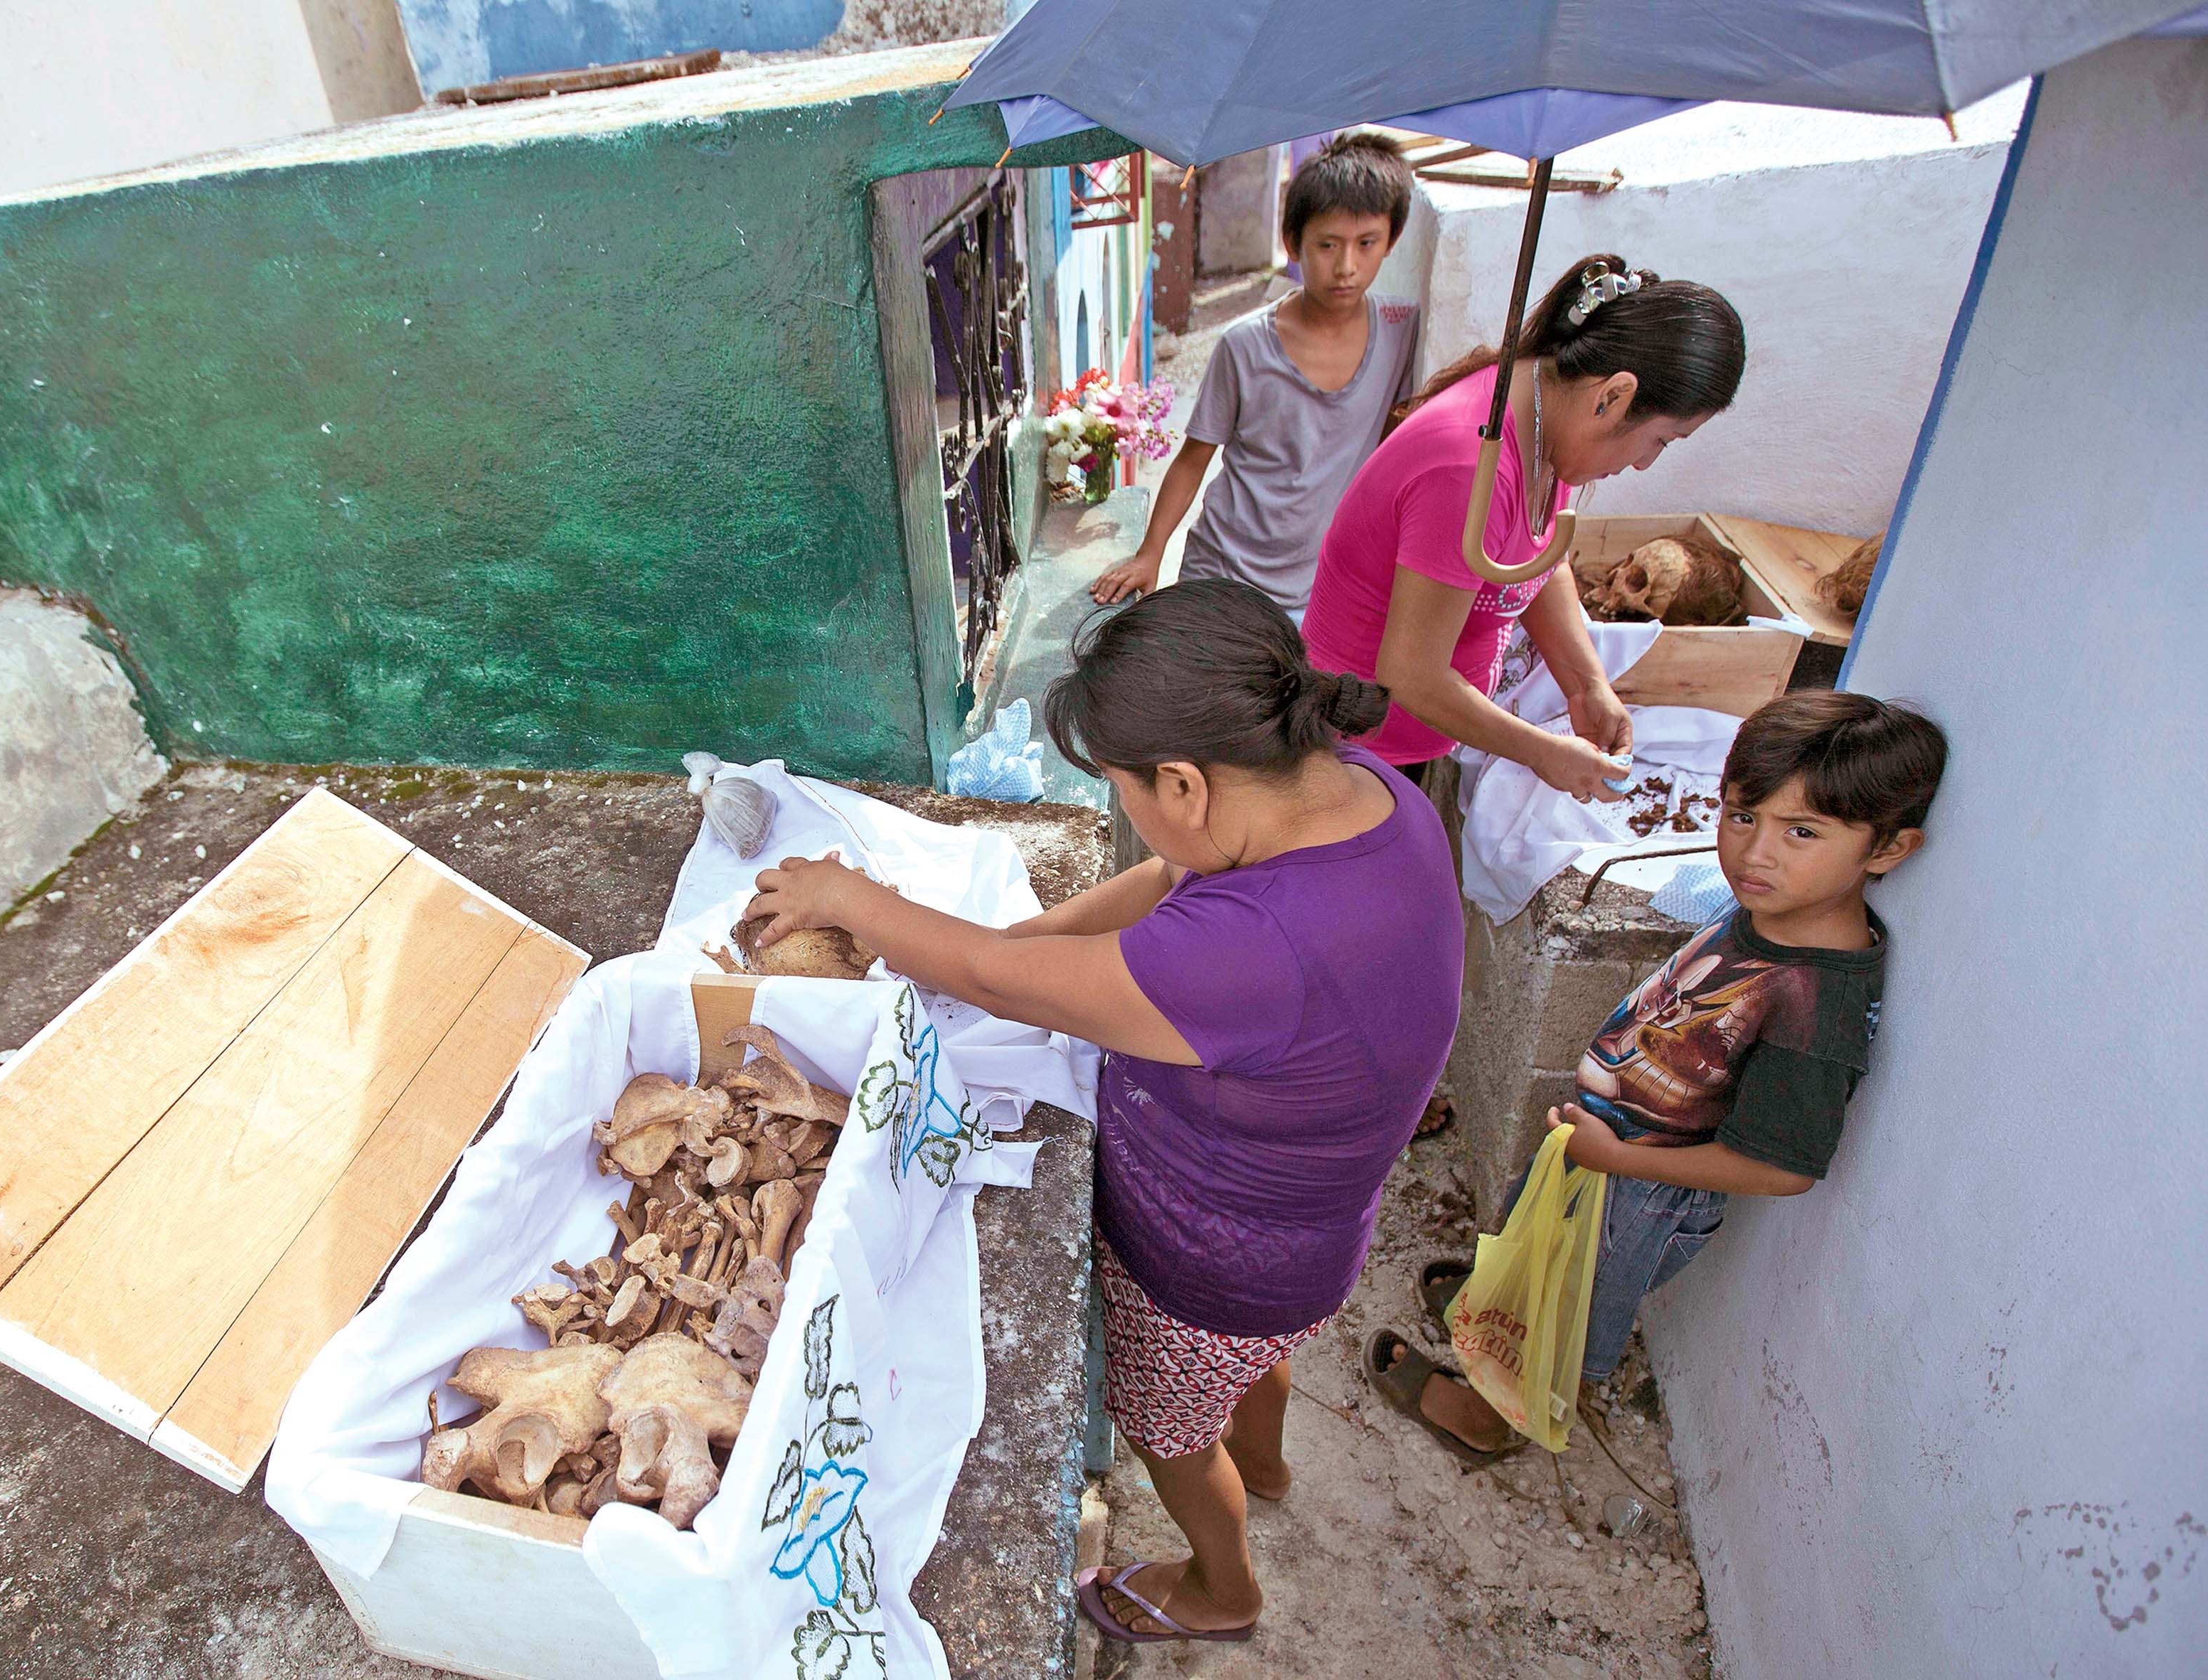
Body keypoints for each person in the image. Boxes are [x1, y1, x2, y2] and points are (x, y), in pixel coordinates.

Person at [743, 579, 1462, 1644]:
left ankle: (1224, 1586)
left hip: (1212, 1259)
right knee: (1251, 1360)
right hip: (1309, 1233)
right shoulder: (1346, 790)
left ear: (1181, 778)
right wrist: (1028, 951)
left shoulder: (1256, 947)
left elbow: (1007, 979)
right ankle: (1261, 1458)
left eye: (1122, 786)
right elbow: (1165, 887)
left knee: (1168, 1424)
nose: (1128, 808)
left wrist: (854, 901)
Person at [1366, 691, 1948, 1459]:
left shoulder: (1817, 1007)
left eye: (1802, 831)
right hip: (1607, 1156)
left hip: (1643, 1193)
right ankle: (1500, 1309)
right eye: (1742, 815)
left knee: (1569, 1314)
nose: (1754, 853)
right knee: (1538, 1264)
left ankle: (1489, 1419)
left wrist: (1618, 1158)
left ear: (1888, 850)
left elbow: (1781, 1169)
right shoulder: (1772, 905)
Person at [1303, 252, 1747, 797]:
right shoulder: (1467, 469)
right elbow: (1411, 674)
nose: (1643, 463)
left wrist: (1586, 685)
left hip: (1418, 733)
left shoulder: (1543, 412)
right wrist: (1541, 752)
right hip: (1358, 750)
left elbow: (1536, 557)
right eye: (1660, 439)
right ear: (1613, 396)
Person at [1091, 134, 1422, 621]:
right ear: (1293, 242)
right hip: (1222, 576)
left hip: (1323, 592)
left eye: (1366, 244)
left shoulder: (1402, 331)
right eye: (1327, 245)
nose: (1346, 267)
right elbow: (1192, 458)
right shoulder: (1244, 345)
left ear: (1391, 241)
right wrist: (1151, 553)